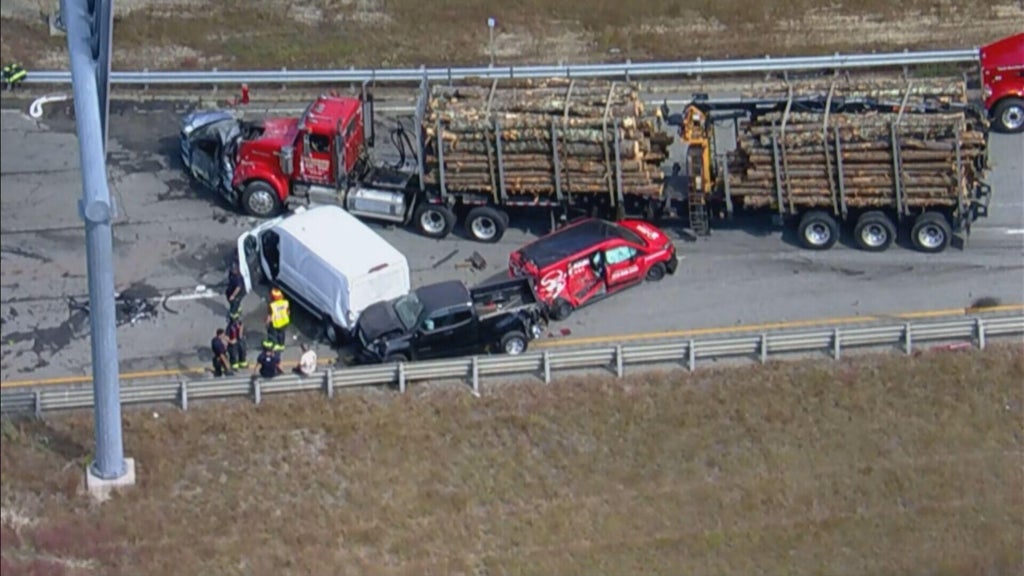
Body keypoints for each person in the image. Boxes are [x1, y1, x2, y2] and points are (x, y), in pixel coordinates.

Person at [265, 287, 290, 352]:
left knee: (274, 332)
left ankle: (277, 345)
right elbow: (288, 312)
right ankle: (281, 345)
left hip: (276, 322)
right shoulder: (285, 302)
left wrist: (267, 323)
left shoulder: (272, 305)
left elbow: (270, 316)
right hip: (284, 321)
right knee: (282, 333)